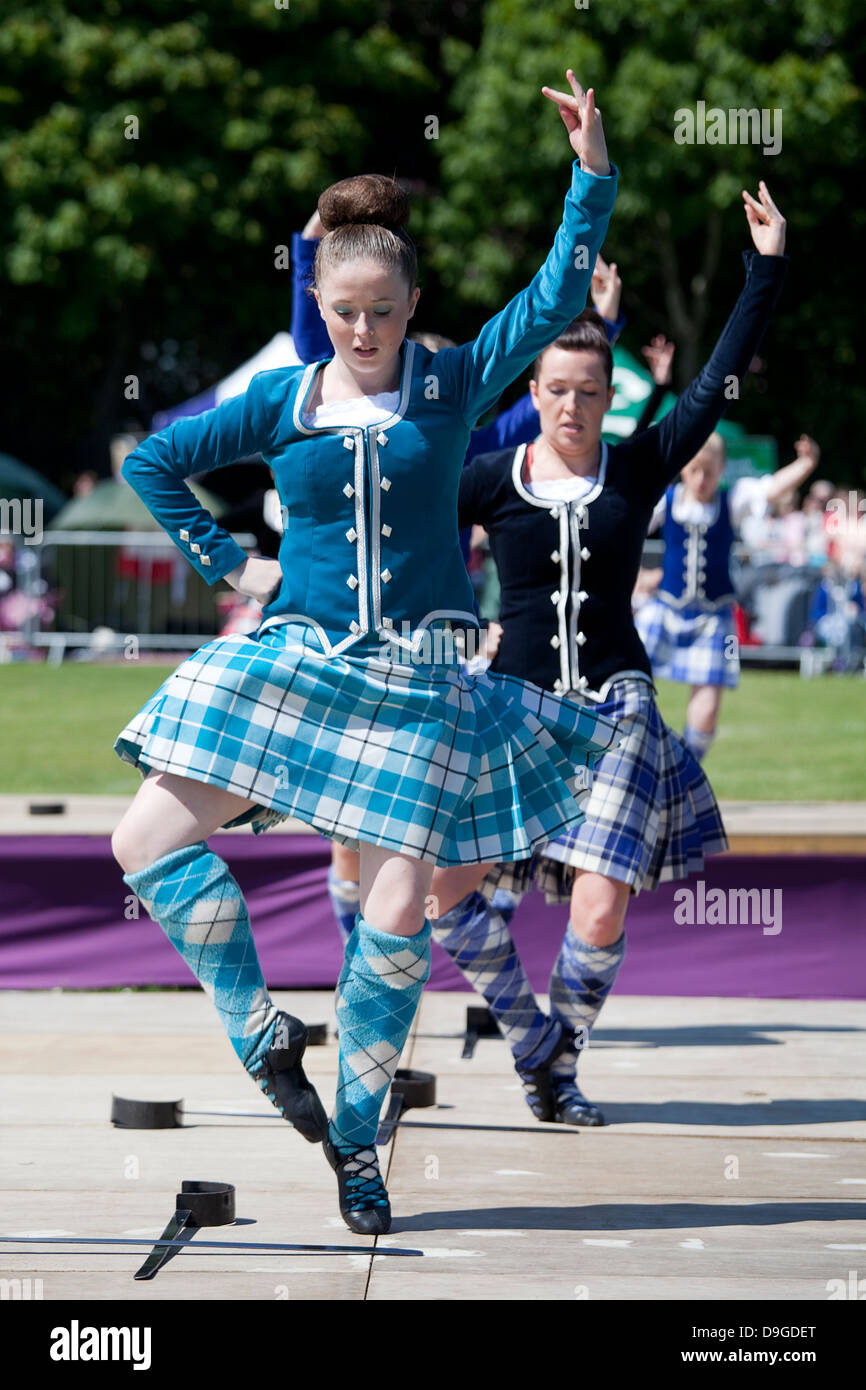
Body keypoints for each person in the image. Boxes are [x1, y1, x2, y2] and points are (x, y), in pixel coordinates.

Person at [110, 72, 619, 1233]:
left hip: (423, 686)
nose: (363, 329)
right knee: (141, 835)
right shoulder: (284, 400)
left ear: (409, 303)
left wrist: (587, 174)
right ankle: (260, 1027)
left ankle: (355, 1145)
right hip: (298, 662)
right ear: (321, 302)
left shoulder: (448, 382)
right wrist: (229, 562)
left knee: (394, 922)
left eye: (382, 310)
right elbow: (153, 461)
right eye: (345, 310)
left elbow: (548, 301)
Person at [419, 182, 790, 1129]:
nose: (574, 406)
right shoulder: (486, 478)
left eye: (591, 391)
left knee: (598, 912)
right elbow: (412, 549)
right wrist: (458, 625)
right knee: (442, 893)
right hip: (509, 705)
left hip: (617, 710)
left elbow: (712, 383)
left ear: (609, 392)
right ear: (532, 393)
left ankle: (560, 1065)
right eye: (558, 390)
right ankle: (530, 1039)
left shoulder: (640, 463)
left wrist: (766, 270)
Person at [290, 199, 628, 948]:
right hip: (355, 641)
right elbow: (315, 335)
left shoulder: (469, 430)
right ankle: (361, 954)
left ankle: (441, 948)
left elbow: (553, 371)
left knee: (460, 814)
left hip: (443, 643)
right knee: (348, 825)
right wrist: (311, 238)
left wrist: (602, 328)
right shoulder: (342, 407)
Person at [636, 432, 822, 760]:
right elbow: (623, 526)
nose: (701, 479)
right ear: (683, 468)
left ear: (722, 469)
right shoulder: (666, 500)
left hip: (715, 617)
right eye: (694, 470)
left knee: (709, 703)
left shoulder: (732, 500)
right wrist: (639, 575)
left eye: (709, 471)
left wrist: (806, 463)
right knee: (629, 675)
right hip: (665, 609)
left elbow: (772, 488)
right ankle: (637, 754)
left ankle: (686, 768)